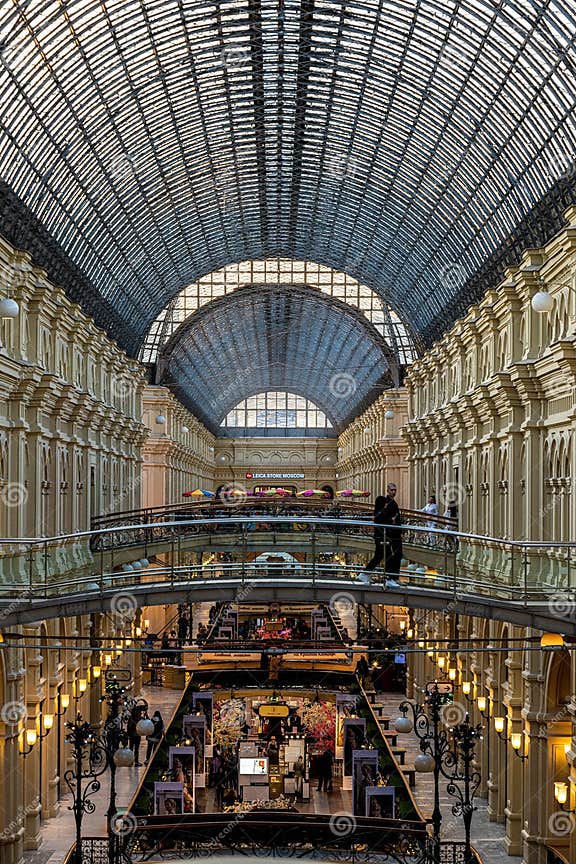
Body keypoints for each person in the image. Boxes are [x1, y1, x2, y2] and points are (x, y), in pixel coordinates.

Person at [363, 483, 402, 586]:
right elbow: (379, 518)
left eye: (395, 490)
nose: (394, 492)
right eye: (392, 490)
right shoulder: (382, 500)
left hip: (391, 534)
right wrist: (391, 520)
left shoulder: (393, 503)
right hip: (383, 534)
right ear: (387, 490)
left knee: (383, 555)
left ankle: (366, 574)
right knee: (388, 555)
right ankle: (389, 578)